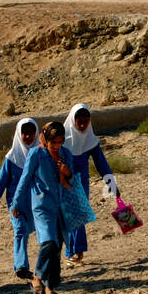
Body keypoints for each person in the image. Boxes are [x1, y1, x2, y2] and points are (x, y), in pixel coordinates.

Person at [12, 121, 78, 294]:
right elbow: (24, 180)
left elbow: (72, 184)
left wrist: (68, 173)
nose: (57, 146)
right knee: (48, 241)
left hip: (61, 207)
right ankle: (37, 277)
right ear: (45, 139)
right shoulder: (36, 154)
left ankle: (49, 287)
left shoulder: (66, 154)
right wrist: (16, 204)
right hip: (42, 207)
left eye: (60, 142)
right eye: (53, 142)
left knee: (57, 247)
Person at [62, 103, 115, 266]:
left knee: (78, 215)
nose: (83, 125)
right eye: (80, 122)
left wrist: (110, 184)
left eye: (86, 121)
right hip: (64, 182)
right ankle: (74, 252)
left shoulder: (91, 140)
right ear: (73, 121)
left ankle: (75, 252)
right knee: (73, 216)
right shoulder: (62, 139)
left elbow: (101, 163)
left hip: (82, 182)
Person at [0, 118, 39, 280]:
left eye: (32, 133)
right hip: (15, 203)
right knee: (20, 231)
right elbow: (1, 181)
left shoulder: (40, 154)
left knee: (38, 232)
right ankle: (21, 266)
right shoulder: (11, 158)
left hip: (35, 201)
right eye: (25, 133)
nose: (29, 137)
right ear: (19, 134)